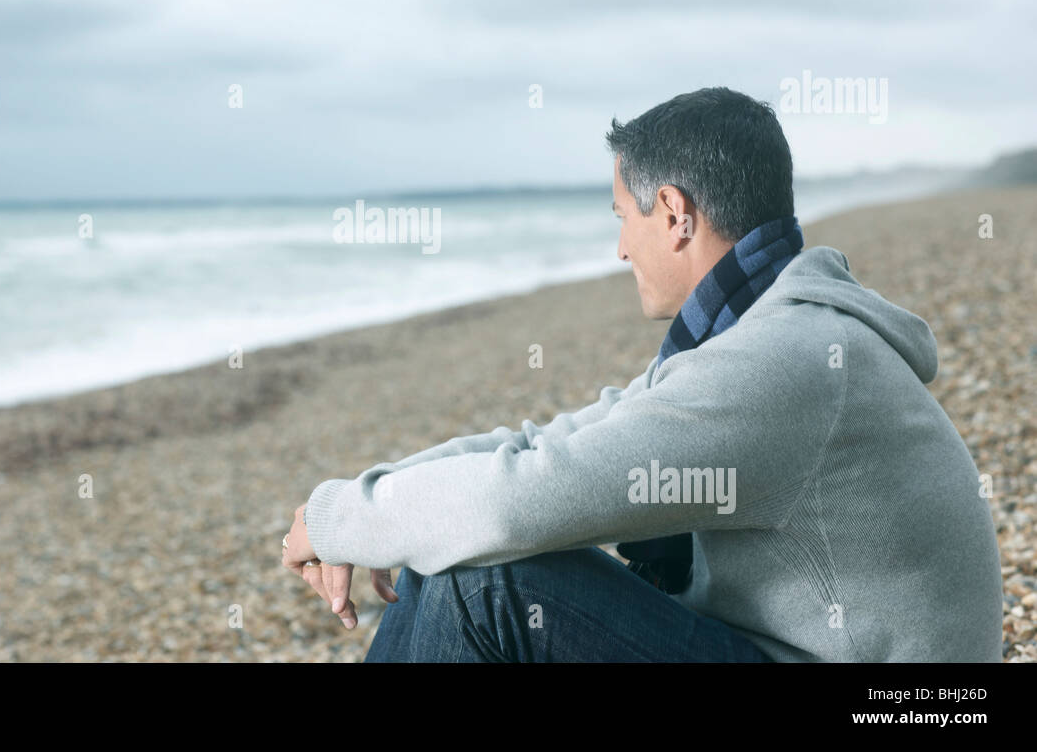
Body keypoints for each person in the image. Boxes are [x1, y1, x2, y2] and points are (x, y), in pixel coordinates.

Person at [281, 86, 1004, 662]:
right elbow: (549, 445)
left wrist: (349, 520)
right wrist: (364, 504)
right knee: (451, 548)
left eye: (623, 215)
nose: (621, 248)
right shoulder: (765, 335)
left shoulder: (788, 361)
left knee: (488, 579)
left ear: (674, 214)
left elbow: (523, 501)